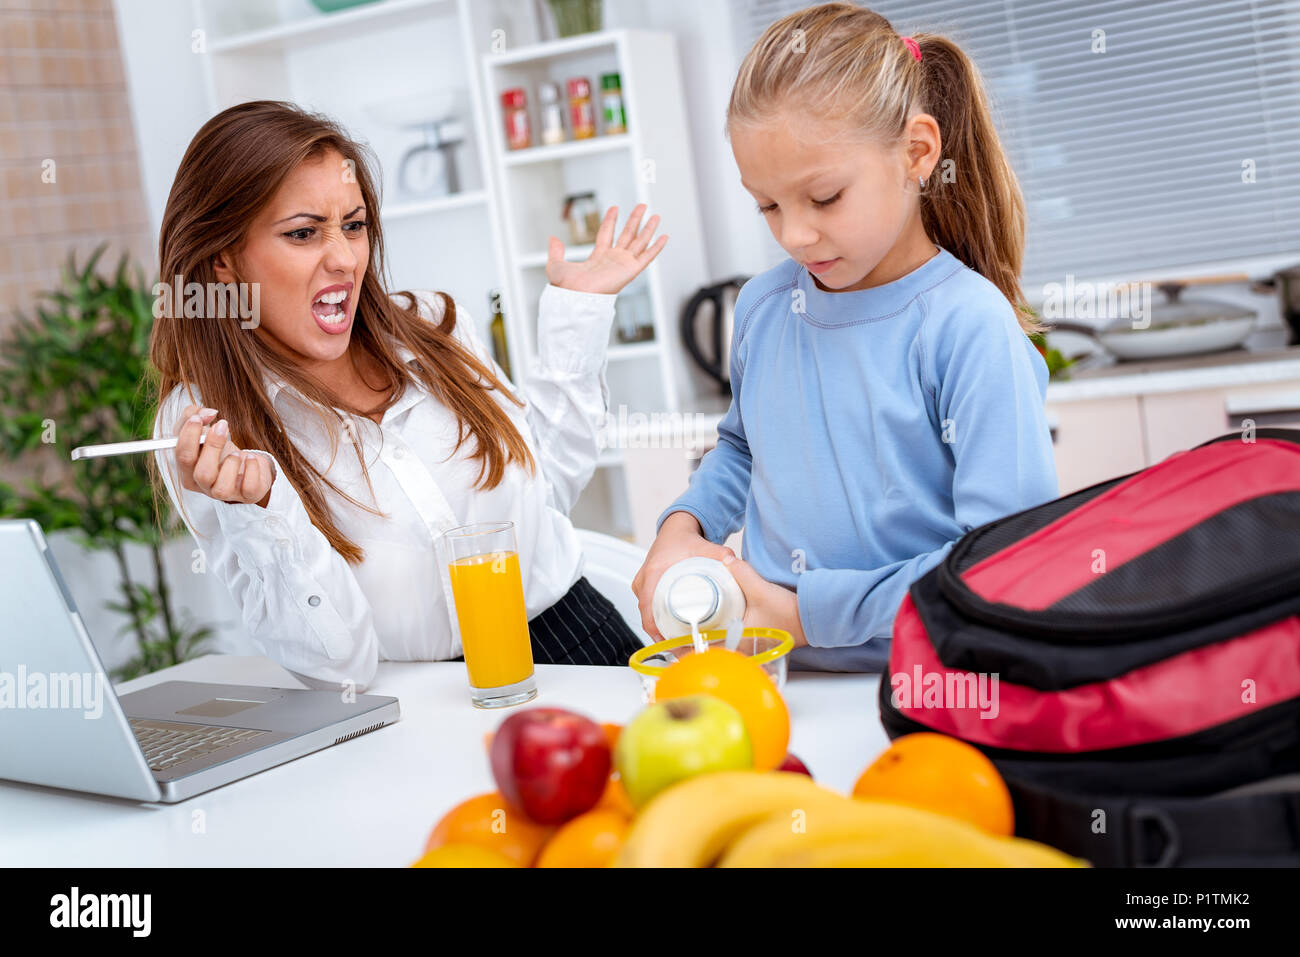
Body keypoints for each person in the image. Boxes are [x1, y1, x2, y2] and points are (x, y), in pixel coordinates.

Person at [150, 100, 667, 691]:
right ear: (222, 261)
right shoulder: (207, 428)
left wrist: (577, 318)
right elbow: (337, 666)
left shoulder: (432, 327)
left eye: (354, 224)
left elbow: (545, 492)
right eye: (302, 233)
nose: (344, 259)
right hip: (424, 708)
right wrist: (260, 508)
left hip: (579, 645)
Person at [632, 3, 1059, 672]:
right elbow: (743, 450)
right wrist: (681, 528)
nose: (793, 235)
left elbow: (1002, 562)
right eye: (767, 204)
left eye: (824, 197)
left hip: (931, 688)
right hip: (783, 680)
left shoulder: (966, 326)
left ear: (917, 153)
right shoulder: (766, 307)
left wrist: (809, 614)